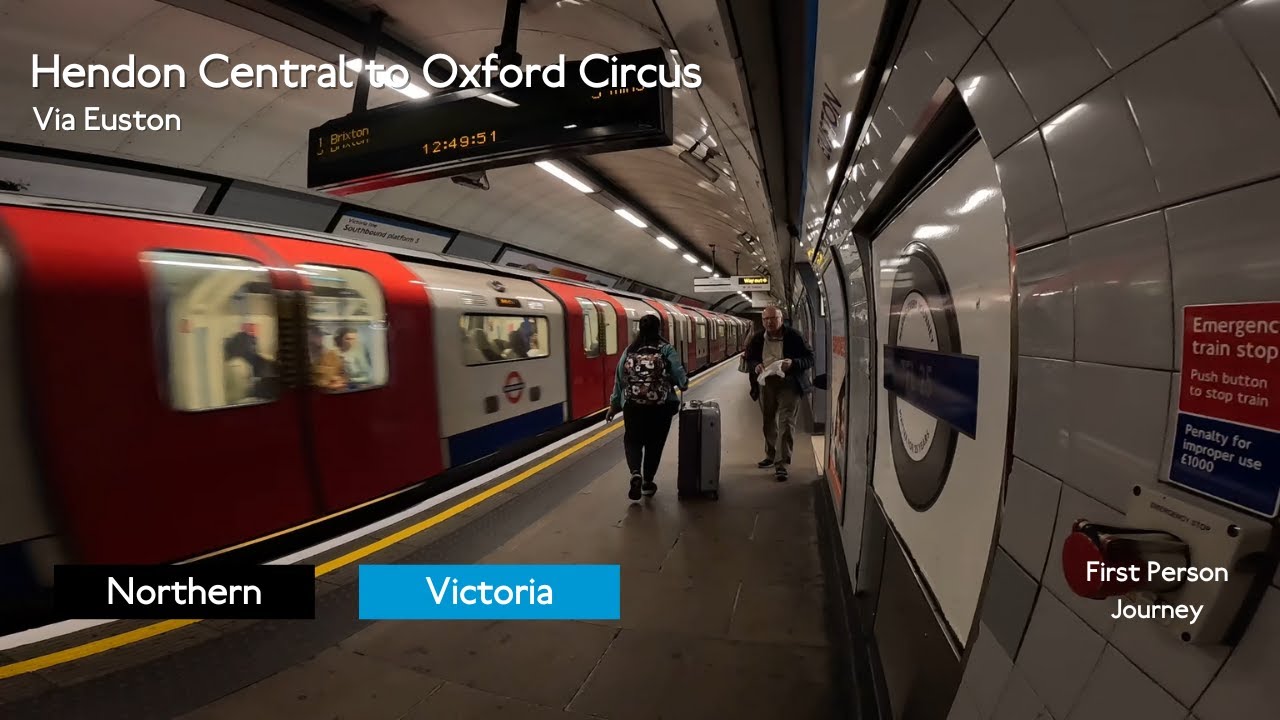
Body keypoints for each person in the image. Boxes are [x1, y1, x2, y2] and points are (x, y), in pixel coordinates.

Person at [605, 314, 688, 500]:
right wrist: (682, 383)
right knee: (654, 445)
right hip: (660, 407)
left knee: (632, 441)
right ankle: (648, 482)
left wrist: (614, 405)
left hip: (633, 407)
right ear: (658, 330)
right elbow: (679, 375)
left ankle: (635, 472)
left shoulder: (630, 350)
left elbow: (619, 379)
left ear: (639, 330)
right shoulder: (666, 349)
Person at [744, 305, 814, 480]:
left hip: (789, 383)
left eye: (773, 318)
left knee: (786, 421)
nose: (770, 322)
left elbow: (810, 358)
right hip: (766, 384)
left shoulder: (794, 337)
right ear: (762, 321)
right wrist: (756, 366)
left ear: (781, 319)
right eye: (766, 319)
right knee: (768, 420)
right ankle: (771, 454)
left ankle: (781, 463)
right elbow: (750, 358)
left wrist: (794, 363)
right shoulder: (758, 339)